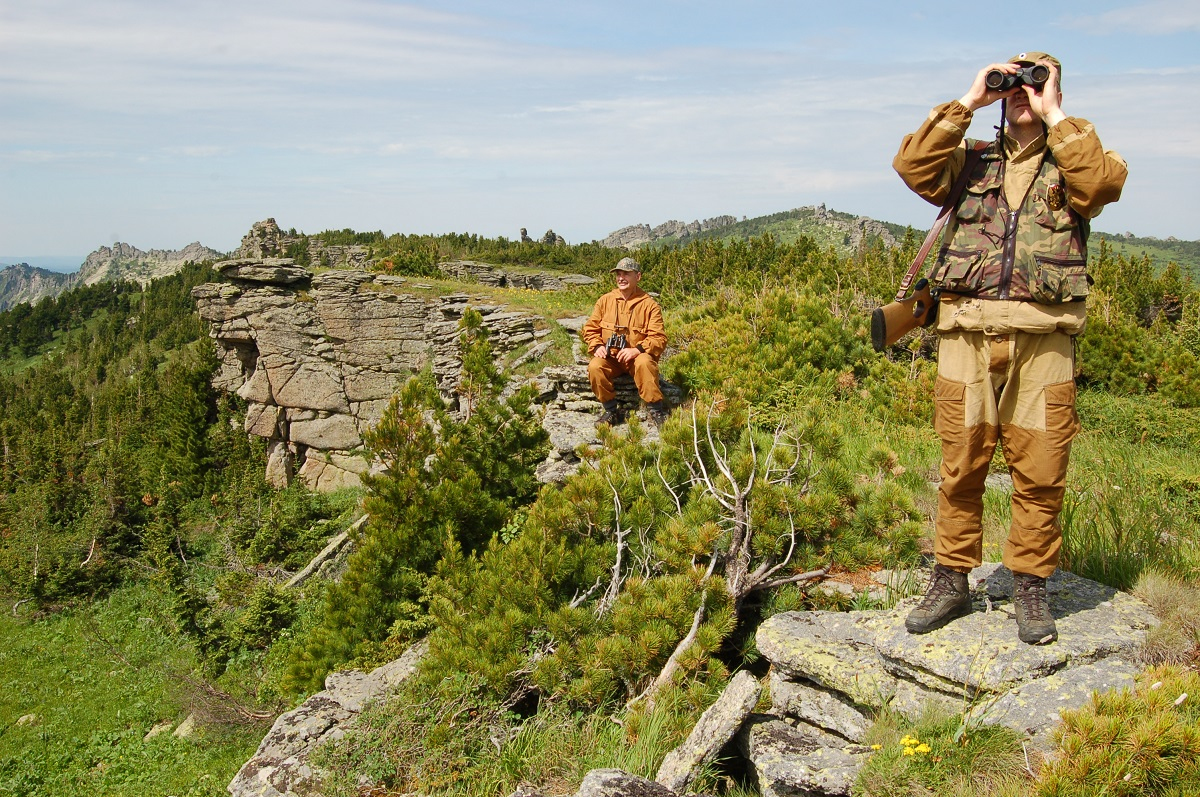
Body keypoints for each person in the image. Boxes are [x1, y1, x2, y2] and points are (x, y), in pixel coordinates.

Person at [893, 52, 1127, 644]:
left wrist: (1056, 116)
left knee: (1042, 469)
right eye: (1011, 83)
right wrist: (969, 102)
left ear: (1053, 89)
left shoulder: (1077, 157)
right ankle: (951, 578)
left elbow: (1101, 185)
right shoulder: (968, 159)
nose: (1019, 91)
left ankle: (1029, 584)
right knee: (960, 462)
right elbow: (913, 167)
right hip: (965, 333)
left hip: (1044, 339)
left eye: (1034, 80)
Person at [582, 256, 669, 426]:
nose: (621, 278)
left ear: (638, 277)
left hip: (635, 359)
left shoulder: (649, 305)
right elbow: (590, 329)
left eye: (626, 274)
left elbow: (659, 338)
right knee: (594, 366)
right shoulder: (605, 301)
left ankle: (656, 410)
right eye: (618, 274)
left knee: (645, 362)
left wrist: (637, 350)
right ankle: (611, 410)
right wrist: (597, 345)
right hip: (611, 359)